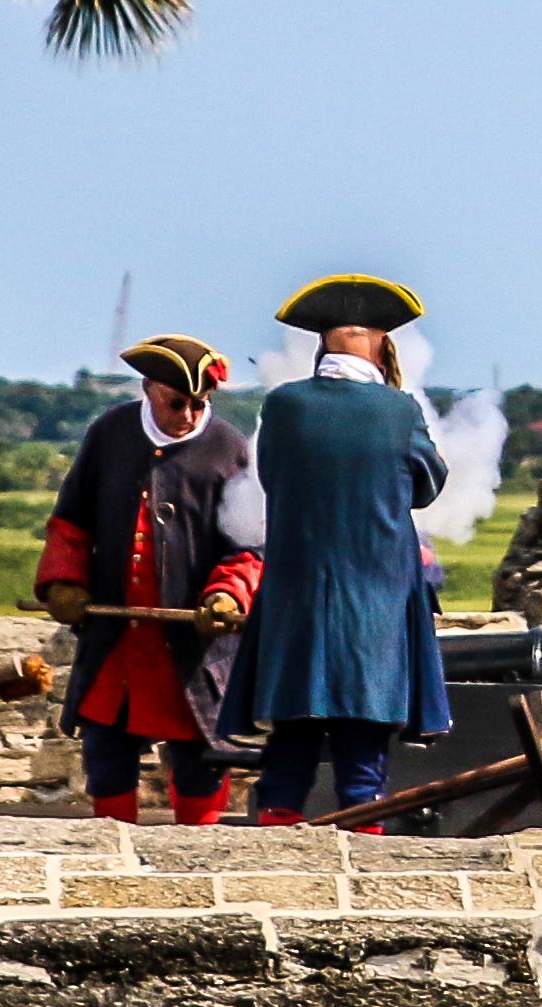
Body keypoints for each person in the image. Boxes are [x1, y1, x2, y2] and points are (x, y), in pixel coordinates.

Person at [225, 275, 452, 830]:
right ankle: (362, 871)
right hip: (375, 606)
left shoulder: (282, 406)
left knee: (289, 752)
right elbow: (427, 485)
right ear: (379, 341)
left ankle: (272, 862)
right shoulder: (399, 410)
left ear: (324, 343)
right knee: (362, 761)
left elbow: (272, 477)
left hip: (297, 601)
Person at [36, 335, 266, 824]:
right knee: (107, 755)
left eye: (198, 404)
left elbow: (248, 544)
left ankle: (199, 856)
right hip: (118, 638)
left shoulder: (230, 447)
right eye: (175, 403)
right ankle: (109, 851)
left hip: (191, 645)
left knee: (200, 763)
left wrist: (227, 593)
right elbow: (71, 520)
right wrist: (64, 581)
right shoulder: (111, 433)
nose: (187, 415)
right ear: (149, 388)